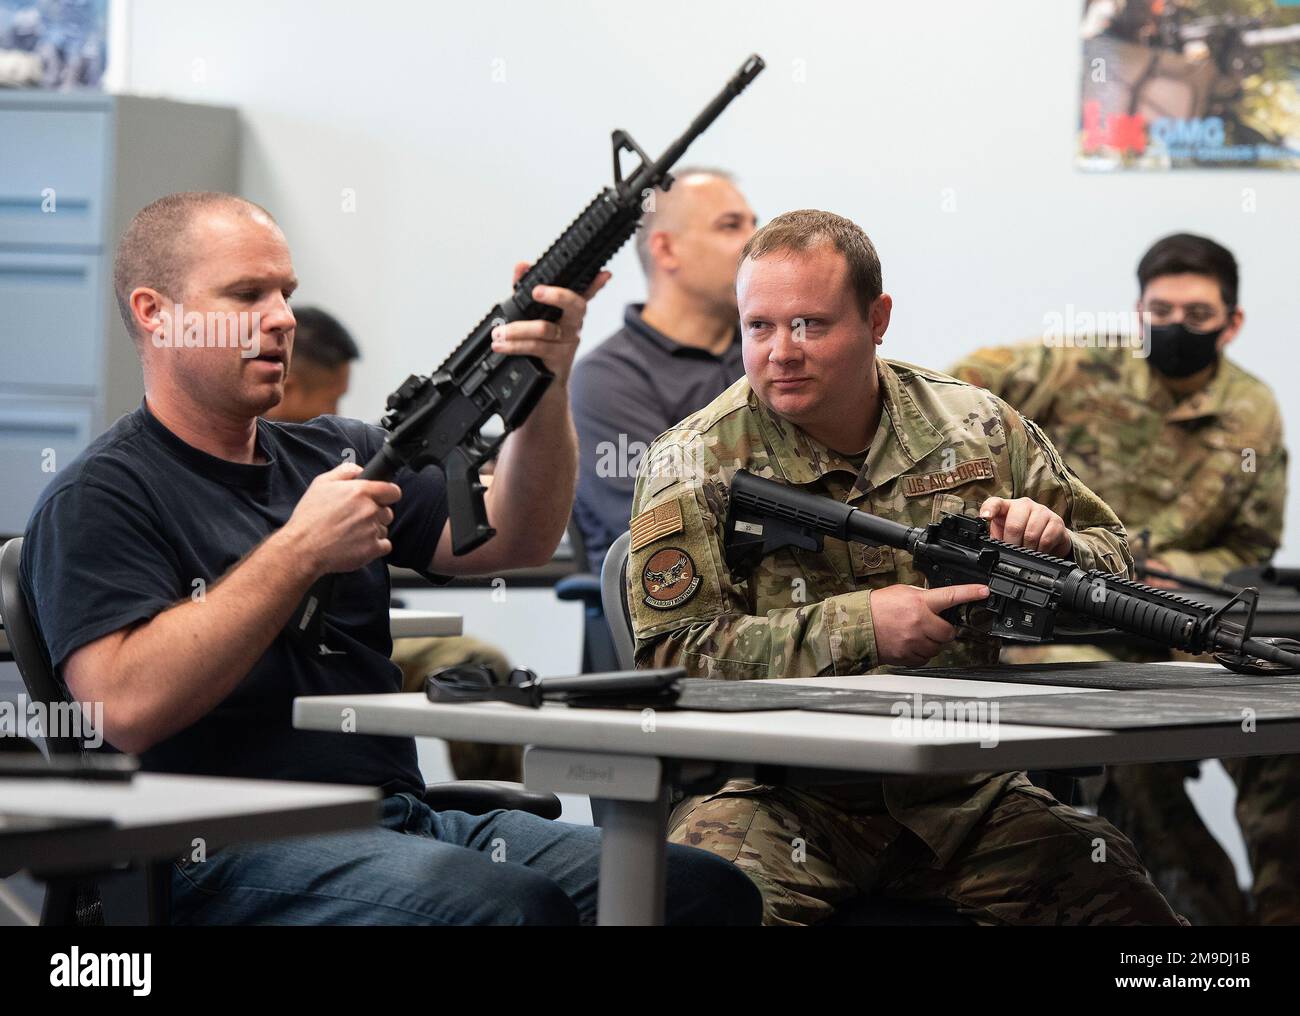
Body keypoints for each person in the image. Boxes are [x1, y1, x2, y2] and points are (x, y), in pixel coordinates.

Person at [20, 191, 760, 926]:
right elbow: (122, 707)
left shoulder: (335, 451)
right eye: (247, 294)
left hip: (394, 818)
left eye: (285, 292)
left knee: (699, 889)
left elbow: (517, 536)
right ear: (156, 313)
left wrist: (549, 378)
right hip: (215, 851)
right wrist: (300, 551)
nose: (281, 318)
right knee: (506, 908)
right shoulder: (99, 497)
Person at [627, 208, 1182, 926]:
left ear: (877, 318)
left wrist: (1061, 549)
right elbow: (674, 654)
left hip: (966, 797)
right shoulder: (694, 461)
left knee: (1130, 912)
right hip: (781, 800)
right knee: (695, 904)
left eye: (810, 325)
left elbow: (1124, 575)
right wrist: (862, 628)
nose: (780, 352)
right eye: (758, 327)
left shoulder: (978, 429)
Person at [948, 232, 1294, 925]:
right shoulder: (1079, 363)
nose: (1174, 326)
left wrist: (1168, 567)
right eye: (1159, 310)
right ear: (1138, 312)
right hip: (1074, 615)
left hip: (1178, 614)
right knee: (1127, 750)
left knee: (1282, 739)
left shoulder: (1251, 411)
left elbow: (1250, 547)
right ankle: (1208, 922)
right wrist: (990, 497)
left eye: (1197, 314)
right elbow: (949, 394)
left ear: (1233, 322)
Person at [264, 305, 520, 781]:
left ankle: (493, 805)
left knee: (481, 668)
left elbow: (505, 535)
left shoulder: (341, 449)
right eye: (332, 398)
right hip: (284, 663)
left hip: (366, 639)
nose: (337, 413)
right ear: (290, 389)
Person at [570, 168, 756, 572]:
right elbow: (666, 526)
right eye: (730, 226)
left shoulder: (766, 354)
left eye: (754, 225)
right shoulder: (608, 379)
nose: (756, 243)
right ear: (666, 250)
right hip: (678, 607)